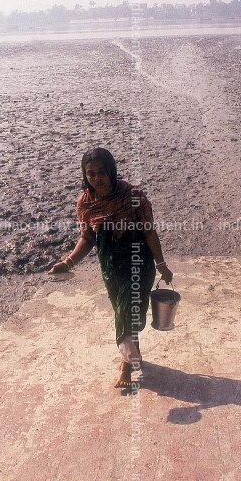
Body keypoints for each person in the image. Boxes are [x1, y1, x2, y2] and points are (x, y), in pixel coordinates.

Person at [49, 148, 173, 389]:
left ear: (112, 171)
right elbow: (87, 238)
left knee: (128, 309)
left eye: (102, 172)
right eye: (91, 174)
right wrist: (68, 262)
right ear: (85, 176)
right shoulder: (86, 203)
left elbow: (149, 232)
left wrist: (161, 264)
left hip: (138, 261)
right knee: (123, 311)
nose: (97, 178)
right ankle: (133, 353)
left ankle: (126, 365)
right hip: (110, 267)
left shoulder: (133, 196)